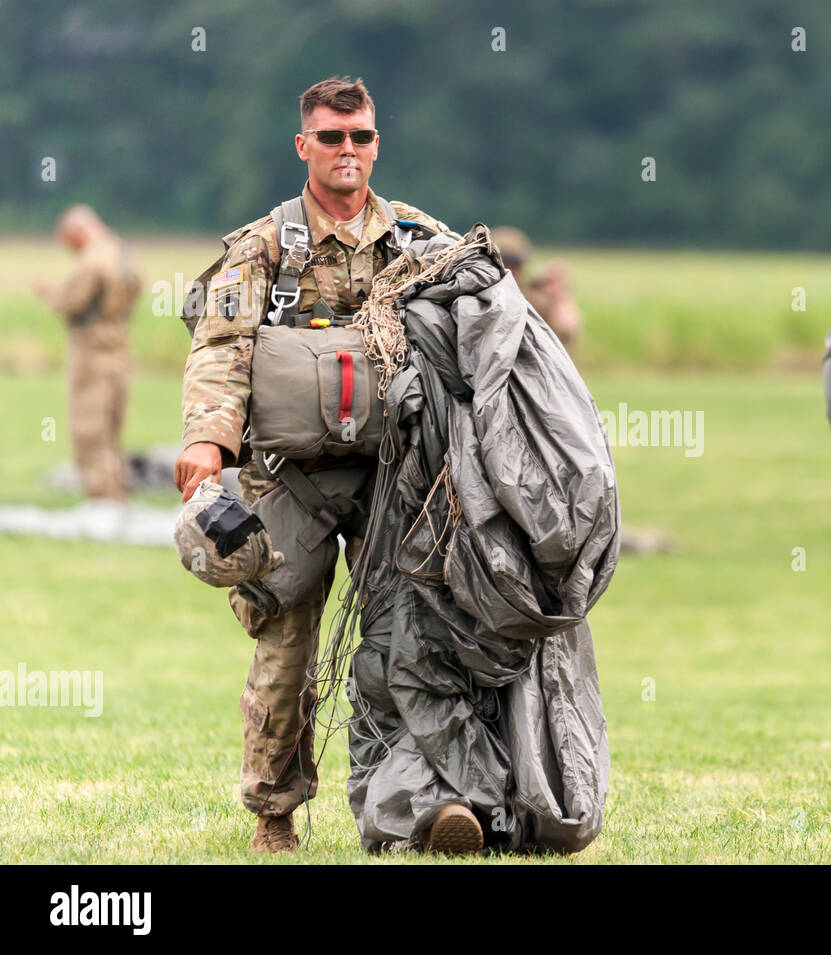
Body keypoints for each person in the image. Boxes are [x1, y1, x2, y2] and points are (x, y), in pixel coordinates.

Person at [172, 76, 452, 853]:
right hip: (289, 477)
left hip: (391, 473)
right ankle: (274, 811)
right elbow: (221, 348)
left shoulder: (419, 240)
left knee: (411, 638)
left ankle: (423, 804)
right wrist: (208, 440)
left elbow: (479, 329)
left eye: (361, 136)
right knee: (286, 645)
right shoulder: (264, 245)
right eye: (332, 137)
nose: (348, 151)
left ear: (376, 143)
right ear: (304, 146)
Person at [34, 205, 140, 503]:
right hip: (120, 348)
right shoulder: (123, 253)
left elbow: (70, 302)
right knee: (113, 425)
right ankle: (117, 491)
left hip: (92, 352)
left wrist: (46, 290)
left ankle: (101, 497)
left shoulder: (92, 261)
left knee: (89, 428)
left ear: (78, 233)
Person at [492, 225, 582, 347]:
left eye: (513, 264)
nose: (509, 270)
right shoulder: (478, 295)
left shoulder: (532, 298)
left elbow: (566, 331)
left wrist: (558, 297)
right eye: (503, 263)